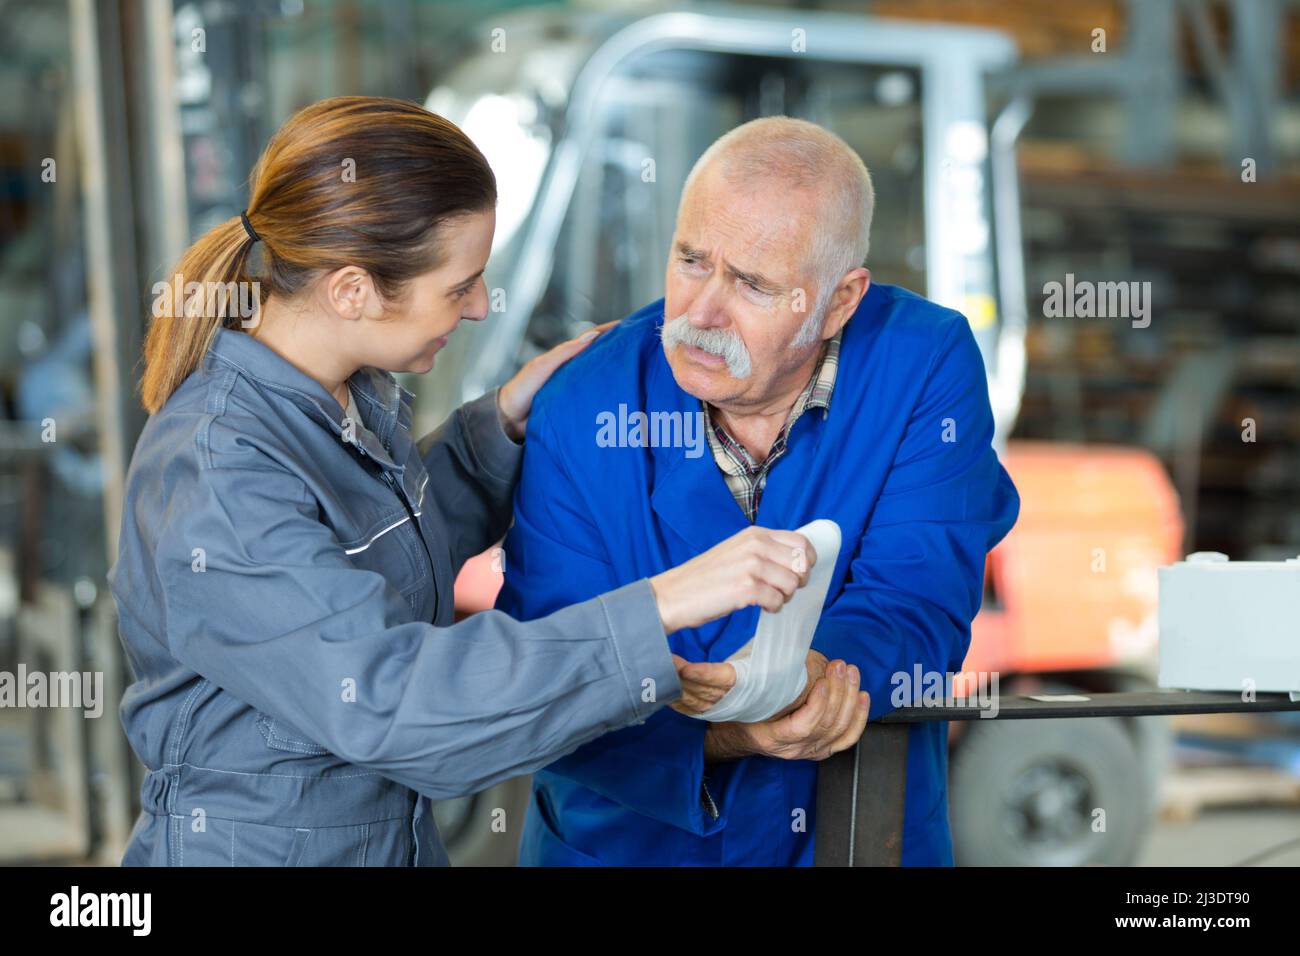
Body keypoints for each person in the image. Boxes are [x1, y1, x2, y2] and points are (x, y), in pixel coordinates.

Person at [108, 97, 832, 866]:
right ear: (352, 291)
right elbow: (394, 704)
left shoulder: (343, 398)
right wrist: (663, 604)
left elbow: (370, 562)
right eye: (460, 287)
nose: (483, 306)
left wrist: (497, 431)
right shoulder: (218, 471)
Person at [497, 116, 1020, 866]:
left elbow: (918, 594)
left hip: (852, 834)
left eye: (752, 283)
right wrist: (724, 735)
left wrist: (820, 677)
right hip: (632, 846)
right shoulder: (584, 402)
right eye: (691, 260)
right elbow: (548, 672)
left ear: (839, 302)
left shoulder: (922, 363)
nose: (700, 314)